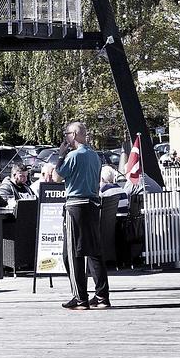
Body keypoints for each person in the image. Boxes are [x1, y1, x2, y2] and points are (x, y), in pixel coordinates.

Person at [56, 121, 109, 311]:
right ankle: (102, 296)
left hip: (76, 206)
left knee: (72, 253)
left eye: (67, 133)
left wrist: (60, 156)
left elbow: (57, 177)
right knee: (94, 252)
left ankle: (80, 299)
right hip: (93, 205)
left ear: (76, 134)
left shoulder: (73, 155)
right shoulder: (95, 156)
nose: (66, 137)